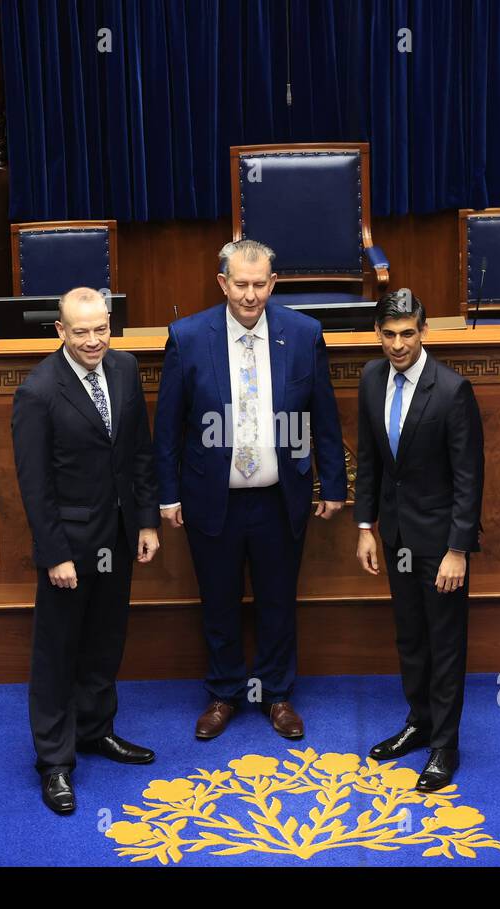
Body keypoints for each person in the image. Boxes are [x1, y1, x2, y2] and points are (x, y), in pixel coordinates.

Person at [154, 239, 346, 740]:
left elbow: (324, 417)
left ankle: (276, 694)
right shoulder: (188, 336)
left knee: (278, 601)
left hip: (280, 497)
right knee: (218, 601)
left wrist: (334, 484)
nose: (250, 295)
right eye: (240, 284)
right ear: (223, 283)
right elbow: (167, 427)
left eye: (260, 284)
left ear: (273, 283)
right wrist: (168, 495)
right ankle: (223, 693)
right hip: (210, 498)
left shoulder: (303, 334)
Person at [11, 287, 161, 815]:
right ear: (60, 332)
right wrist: (55, 554)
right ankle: (54, 760)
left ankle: (97, 730)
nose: (94, 340)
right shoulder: (38, 391)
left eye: (101, 329)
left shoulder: (123, 369)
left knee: (104, 640)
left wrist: (145, 521)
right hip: (70, 547)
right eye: (82, 332)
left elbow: (138, 455)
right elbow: (35, 485)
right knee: (57, 653)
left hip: (118, 537)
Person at [354, 289, 484, 792]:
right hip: (396, 535)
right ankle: (419, 720)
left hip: (440, 543)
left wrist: (458, 550)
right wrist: (365, 526)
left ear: (424, 331)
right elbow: (369, 460)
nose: (398, 345)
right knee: (410, 636)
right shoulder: (370, 378)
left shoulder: (452, 390)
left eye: (408, 334)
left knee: (445, 643)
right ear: (378, 334)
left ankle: (444, 746)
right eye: (388, 335)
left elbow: (470, 478)